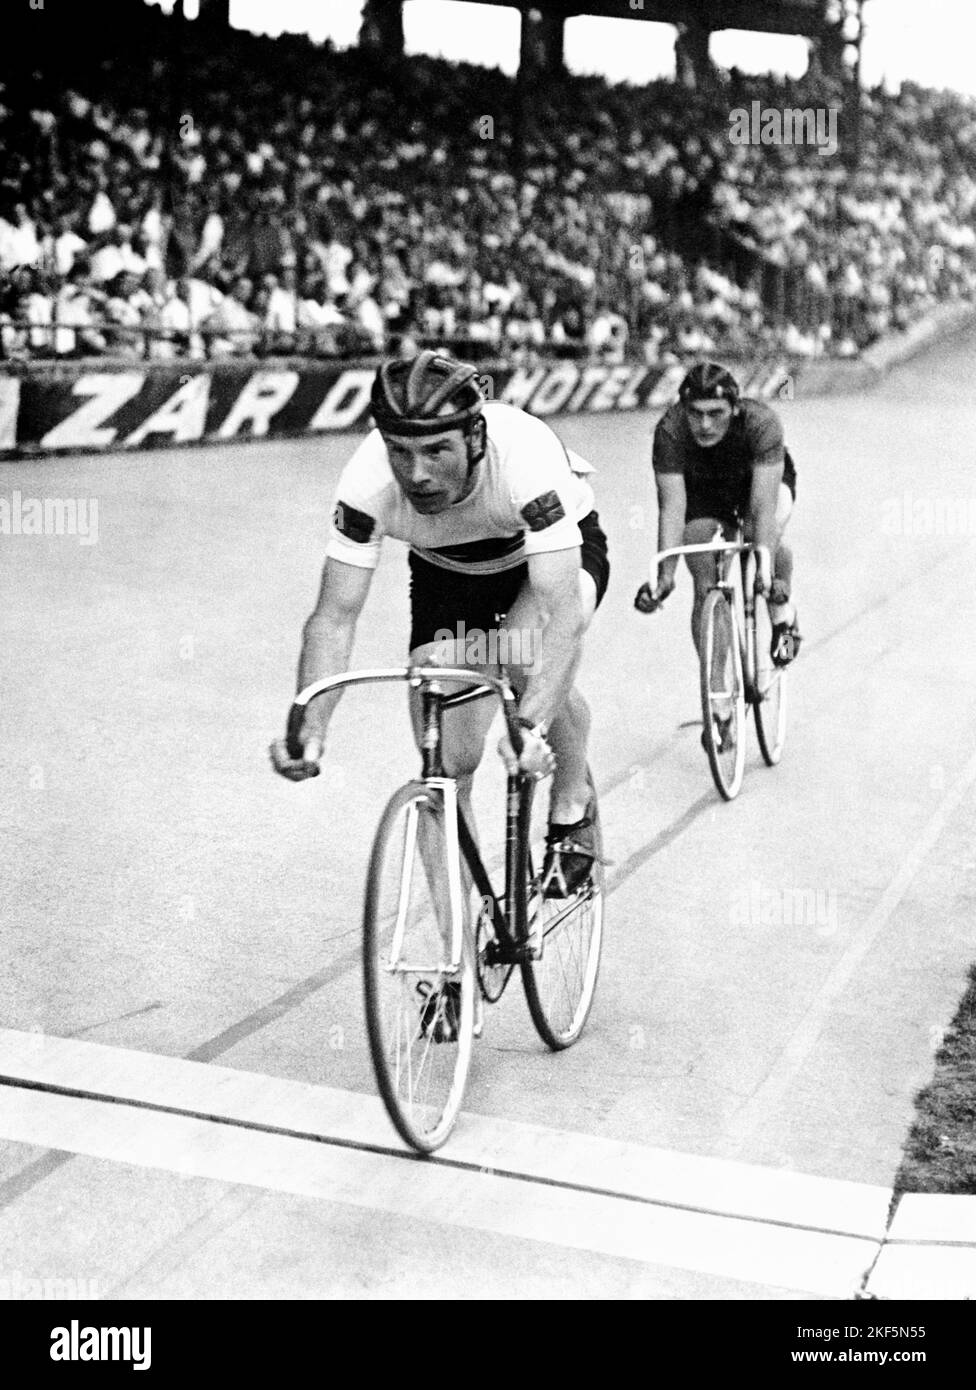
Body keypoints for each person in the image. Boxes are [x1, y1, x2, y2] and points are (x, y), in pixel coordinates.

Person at [270, 349, 610, 917]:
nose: (417, 474)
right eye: (400, 452)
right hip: (447, 572)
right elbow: (334, 616)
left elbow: (563, 615)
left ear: (475, 438)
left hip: (546, 557)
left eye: (436, 450)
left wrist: (532, 726)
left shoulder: (524, 458)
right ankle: (459, 962)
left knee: (523, 656)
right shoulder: (367, 482)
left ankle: (572, 801)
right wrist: (311, 725)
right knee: (446, 769)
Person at [634, 361, 801, 676]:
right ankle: (717, 689)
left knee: (760, 538)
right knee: (702, 573)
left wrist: (764, 567)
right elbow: (672, 507)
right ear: (683, 408)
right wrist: (664, 576)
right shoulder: (670, 431)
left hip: (759, 483)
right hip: (708, 491)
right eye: (695, 413)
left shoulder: (761, 423)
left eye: (715, 413)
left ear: (735, 408)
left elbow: (763, 506)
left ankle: (783, 619)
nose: (705, 425)